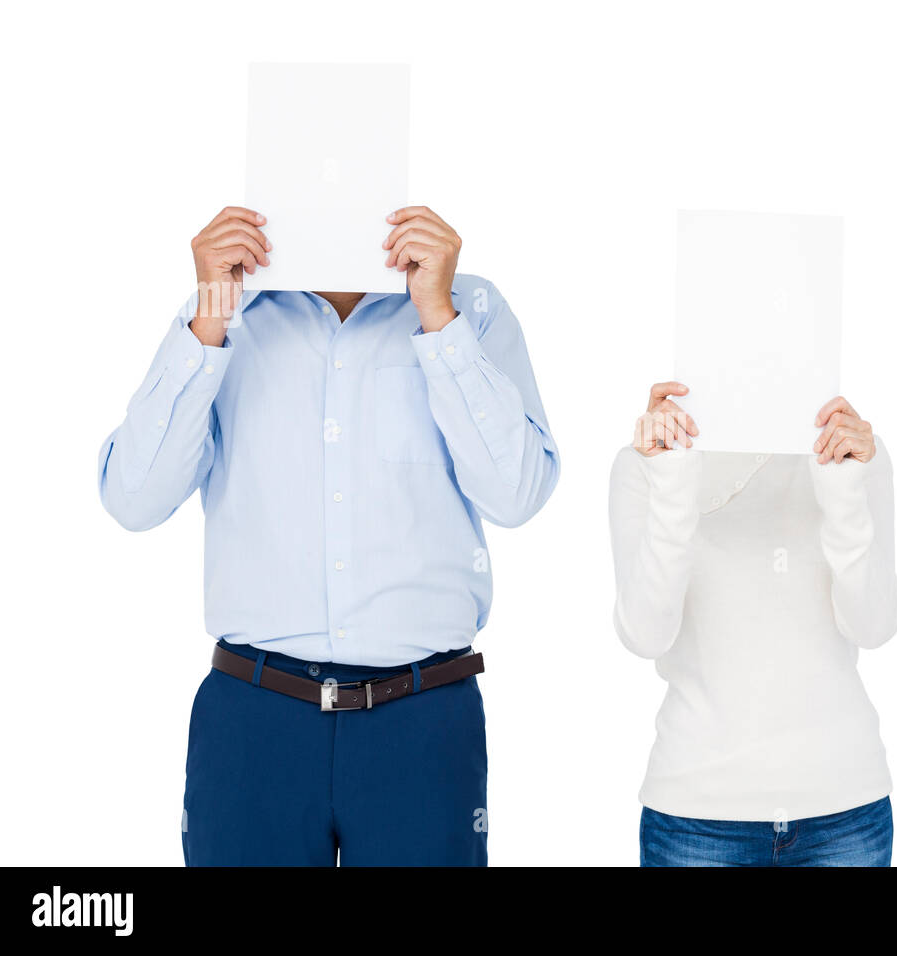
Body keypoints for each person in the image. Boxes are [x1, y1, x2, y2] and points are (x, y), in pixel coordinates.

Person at [98, 205, 559, 865]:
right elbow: (133, 499)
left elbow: (517, 495)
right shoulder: (226, 315)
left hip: (422, 722)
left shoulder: (470, 308)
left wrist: (440, 321)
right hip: (254, 720)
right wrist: (205, 326)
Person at [609, 382, 897, 866]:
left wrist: (844, 488)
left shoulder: (853, 450)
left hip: (843, 809)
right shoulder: (647, 462)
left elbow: (874, 626)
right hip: (696, 816)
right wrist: (673, 480)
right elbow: (645, 634)